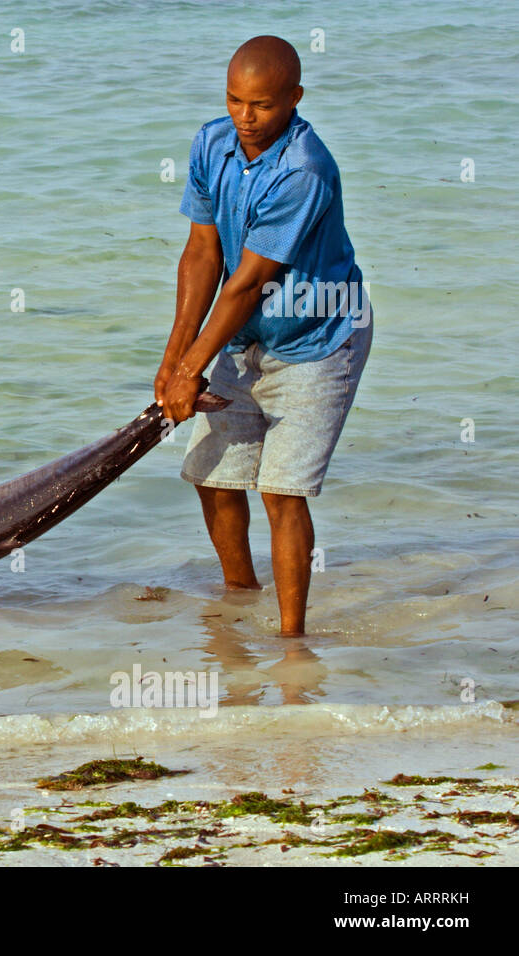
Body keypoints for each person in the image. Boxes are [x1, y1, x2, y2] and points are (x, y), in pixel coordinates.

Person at [154, 35, 372, 636]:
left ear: (295, 99)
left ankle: (291, 640)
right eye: (235, 101)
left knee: (281, 492)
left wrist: (192, 369)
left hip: (318, 336)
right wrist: (175, 361)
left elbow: (248, 280)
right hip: (244, 334)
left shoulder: (306, 169)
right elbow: (202, 252)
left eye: (264, 105)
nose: (246, 118)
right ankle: (240, 600)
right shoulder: (211, 142)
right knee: (214, 477)